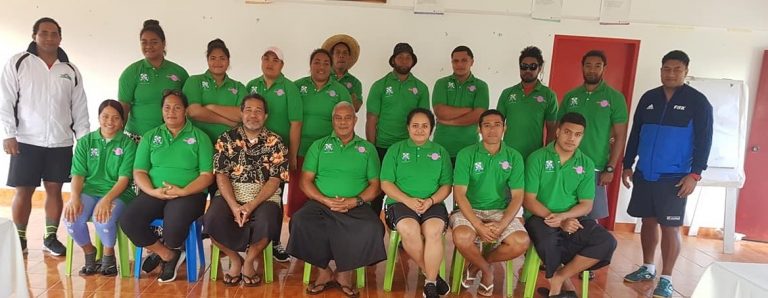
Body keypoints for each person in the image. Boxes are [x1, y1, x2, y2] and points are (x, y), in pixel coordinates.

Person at [622, 50, 713, 298]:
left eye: (677, 69)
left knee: (670, 227)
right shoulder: (649, 98)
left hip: (675, 177)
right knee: (648, 221)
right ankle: (648, 267)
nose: (671, 74)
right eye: (666, 69)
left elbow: (704, 141)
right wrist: (628, 164)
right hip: (645, 174)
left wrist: (695, 175)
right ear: (661, 70)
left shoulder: (698, 102)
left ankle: (666, 278)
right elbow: (636, 132)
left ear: (686, 72)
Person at [0, 17, 90, 255]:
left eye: (54, 33)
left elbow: (80, 108)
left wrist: (84, 142)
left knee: (54, 189)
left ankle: (50, 237)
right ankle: (20, 238)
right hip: (26, 140)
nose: (49, 38)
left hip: (60, 141)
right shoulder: (19, 62)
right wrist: (8, 134)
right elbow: (5, 100)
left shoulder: (70, 70)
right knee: (23, 190)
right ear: (34, 36)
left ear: (60, 37)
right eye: (44, 33)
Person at [287, 101, 385, 298]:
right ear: (332, 121)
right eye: (338, 118)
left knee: (374, 227)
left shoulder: (367, 148)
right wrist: (324, 200)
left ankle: (344, 274)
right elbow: (305, 182)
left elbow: (375, 186)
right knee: (300, 221)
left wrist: (355, 201)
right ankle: (323, 272)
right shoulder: (319, 146)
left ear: (355, 120)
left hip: (355, 205)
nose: (343, 122)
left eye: (347, 118)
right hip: (321, 204)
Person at [119, 90, 214, 283]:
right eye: (167, 107)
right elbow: (139, 171)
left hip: (190, 194)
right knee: (128, 220)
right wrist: (152, 191)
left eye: (177, 107)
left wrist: (184, 191)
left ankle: (168, 249)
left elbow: (207, 176)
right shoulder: (150, 136)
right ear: (161, 110)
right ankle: (168, 254)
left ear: (185, 110)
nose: (171, 112)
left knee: (175, 221)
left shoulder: (200, 137)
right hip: (155, 192)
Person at [523, 112, 617, 298]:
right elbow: (529, 200)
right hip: (540, 216)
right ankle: (562, 290)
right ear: (558, 132)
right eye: (567, 132)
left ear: (582, 137)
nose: (571, 138)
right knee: (548, 241)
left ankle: (559, 278)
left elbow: (586, 204)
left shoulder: (586, 164)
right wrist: (558, 221)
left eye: (577, 134)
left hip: (574, 217)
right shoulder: (537, 158)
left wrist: (565, 218)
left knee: (607, 241)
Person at [203, 94, 289, 286]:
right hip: (230, 194)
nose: (253, 115)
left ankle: (249, 261)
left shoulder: (276, 142)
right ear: (241, 113)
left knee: (268, 220)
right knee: (211, 219)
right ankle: (235, 260)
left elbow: (275, 180)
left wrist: (251, 205)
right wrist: (234, 206)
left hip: (264, 197)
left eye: (258, 111)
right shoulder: (226, 139)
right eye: (248, 110)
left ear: (265, 116)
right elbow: (221, 176)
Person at [451, 110, 529, 297]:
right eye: (487, 125)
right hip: (469, 210)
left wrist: (502, 224)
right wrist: (478, 225)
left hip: (500, 211)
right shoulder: (466, 154)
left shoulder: (514, 156)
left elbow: (518, 196)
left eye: (497, 125)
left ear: (504, 128)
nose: (492, 130)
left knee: (521, 242)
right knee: (461, 237)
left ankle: (475, 266)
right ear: (479, 129)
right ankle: (487, 271)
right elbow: (459, 194)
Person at [381, 108, 452, 298]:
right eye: (415, 125)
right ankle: (433, 278)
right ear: (408, 127)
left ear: (431, 129)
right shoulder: (395, 150)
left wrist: (431, 200)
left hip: (432, 203)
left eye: (424, 126)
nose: (420, 130)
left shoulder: (441, 152)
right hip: (400, 202)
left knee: (434, 230)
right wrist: (408, 200)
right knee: (409, 229)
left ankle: (429, 282)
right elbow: (386, 183)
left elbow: (446, 185)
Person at [63, 100, 136, 276]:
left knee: (103, 218)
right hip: (89, 191)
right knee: (70, 218)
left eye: (115, 118)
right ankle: (89, 252)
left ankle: (108, 255)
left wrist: (107, 199)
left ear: (122, 121)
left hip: (119, 193)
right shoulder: (85, 142)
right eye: (105, 116)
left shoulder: (128, 144)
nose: (110, 121)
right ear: (98, 118)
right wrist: (74, 198)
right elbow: (78, 175)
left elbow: (124, 179)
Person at [245, 46, 302, 262]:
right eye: (266, 58)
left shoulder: (290, 88)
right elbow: (244, 116)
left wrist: (292, 155)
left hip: (278, 153)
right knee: (250, 193)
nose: (270, 63)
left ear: (282, 65)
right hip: (251, 151)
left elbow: (295, 124)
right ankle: (250, 237)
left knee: (275, 196)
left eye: (275, 60)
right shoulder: (252, 85)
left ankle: (275, 240)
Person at [558, 50, 628, 222]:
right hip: (566, 164)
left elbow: (620, 136)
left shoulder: (615, 98)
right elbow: (558, 131)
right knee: (563, 211)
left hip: (595, 167)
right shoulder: (571, 96)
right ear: (582, 67)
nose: (592, 70)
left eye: (597, 66)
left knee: (590, 217)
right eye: (588, 65)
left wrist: (610, 168)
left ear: (604, 68)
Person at [366, 42, 430, 214]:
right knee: (377, 191)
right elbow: (371, 119)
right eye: (400, 57)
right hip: (382, 146)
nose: (404, 60)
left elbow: (424, 119)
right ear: (393, 60)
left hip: (409, 147)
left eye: (408, 57)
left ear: (413, 61)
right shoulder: (380, 85)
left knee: (407, 189)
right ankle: (373, 226)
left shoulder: (421, 88)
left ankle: (407, 226)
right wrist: (372, 148)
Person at [287, 49, 351, 217]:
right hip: (300, 150)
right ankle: (297, 230)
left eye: (326, 63)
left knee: (323, 195)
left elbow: (347, 120)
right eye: (317, 62)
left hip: (328, 152)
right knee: (298, 196)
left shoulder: (340, 91)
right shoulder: (296, 87)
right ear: (310, 65)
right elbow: (290, 118)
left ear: (331, 66)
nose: (321, 67)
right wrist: (292, 154)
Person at [119, 19, 188, 142]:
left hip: (171, 138)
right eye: (144, 42)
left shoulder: (179, 72)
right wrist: (118, 140)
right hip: (137, 138)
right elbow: (123, 108)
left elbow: (188, 107)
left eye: (154, 42)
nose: (148, 46)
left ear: (163, 43)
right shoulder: (131, 72)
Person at [496, 46, 558, 159]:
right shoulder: (507, 93)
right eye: (524, 66)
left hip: (534, 156)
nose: (527, 70)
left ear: (540, 68)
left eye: (533, 66)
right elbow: (497, 124)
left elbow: (552, 128)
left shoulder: (549, 95)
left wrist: (548, 154)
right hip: (508, 155)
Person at [432, 46, 489, 163]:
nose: (460, 64)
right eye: (456, 61)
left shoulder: (481, 86)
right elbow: (440, 112)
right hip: (442, 148)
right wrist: (468, 110)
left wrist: (449, 122)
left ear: (472, 62)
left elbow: (478, 116)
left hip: (470, 148)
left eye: (464, 60)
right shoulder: (441, 83)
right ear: (451, 62)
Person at [183, 38, 246, 144]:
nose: (217, 62)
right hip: (197, 142)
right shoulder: (194, 81)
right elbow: (193, 112)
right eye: (213, 58)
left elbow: (242, 115)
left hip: (230, 145)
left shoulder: (238, 87)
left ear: (228, 61)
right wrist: (227, 121)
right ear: (207, 60)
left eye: (222, 58)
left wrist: (211, 107)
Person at [322, 34, 364, 112]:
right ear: (331, 57)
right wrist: (348, 97)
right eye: (337, 52)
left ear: (349, 57)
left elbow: (356, 108)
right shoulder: (322, 77)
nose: (341, 56)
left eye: (345, 53)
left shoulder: (355, 82)